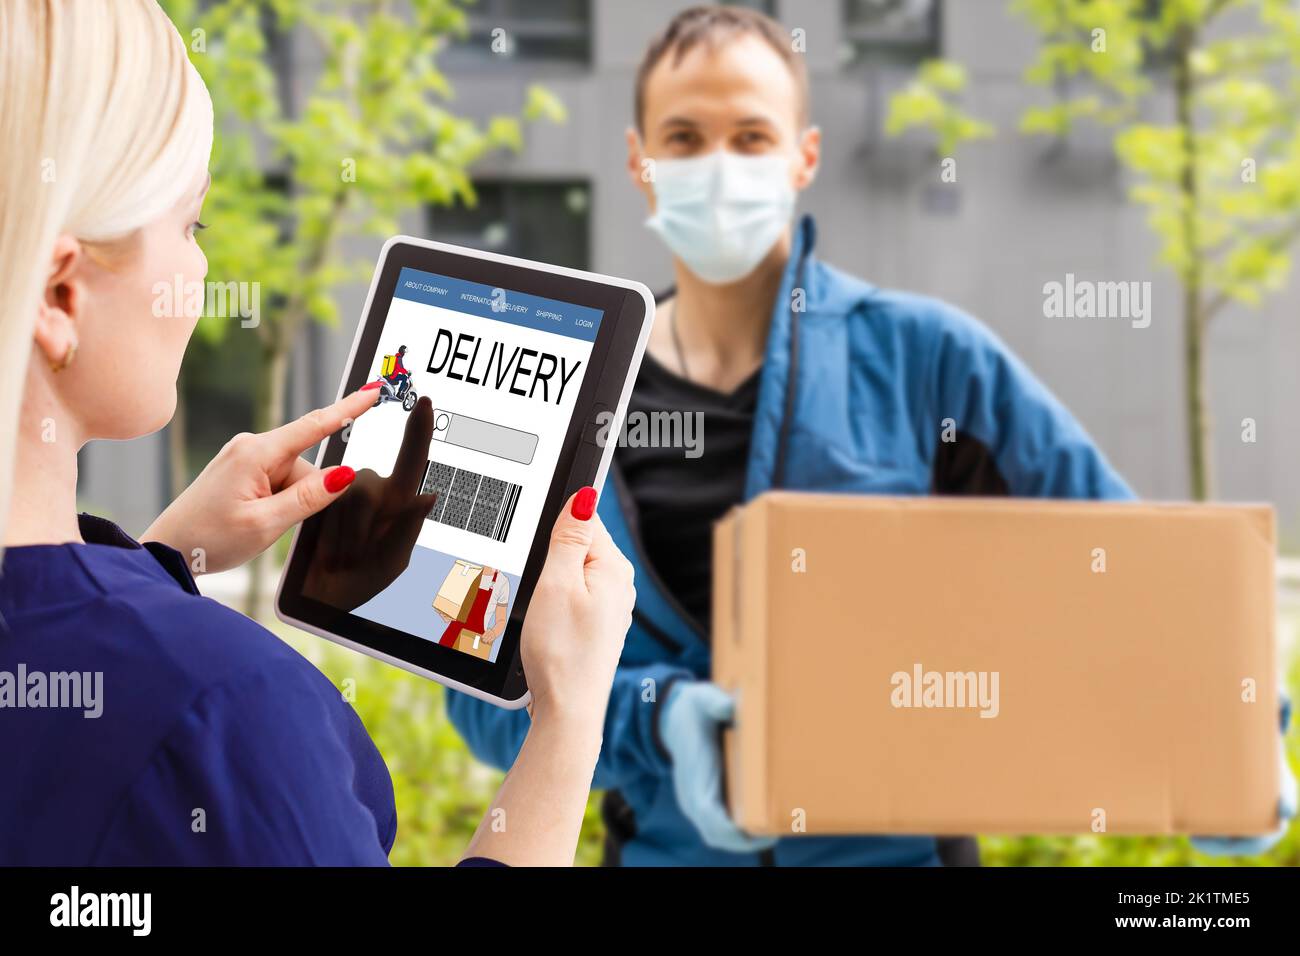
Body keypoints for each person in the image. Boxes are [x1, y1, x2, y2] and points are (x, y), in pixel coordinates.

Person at [447, 4, 1295, 866]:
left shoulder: (931, 361)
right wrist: (658, 716)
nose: (718, 166)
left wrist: (1239, 730)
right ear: (639, 160)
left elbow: (1134, 575)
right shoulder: (576, 395)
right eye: (684, 135)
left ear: (804, 154)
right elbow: (481, 696)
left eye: (750, 136)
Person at [0, 0, 634, 867]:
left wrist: (160, 563)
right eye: (192, 225)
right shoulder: (224, 709)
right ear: (59, 299)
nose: (202, 268)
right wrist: (570, 721)